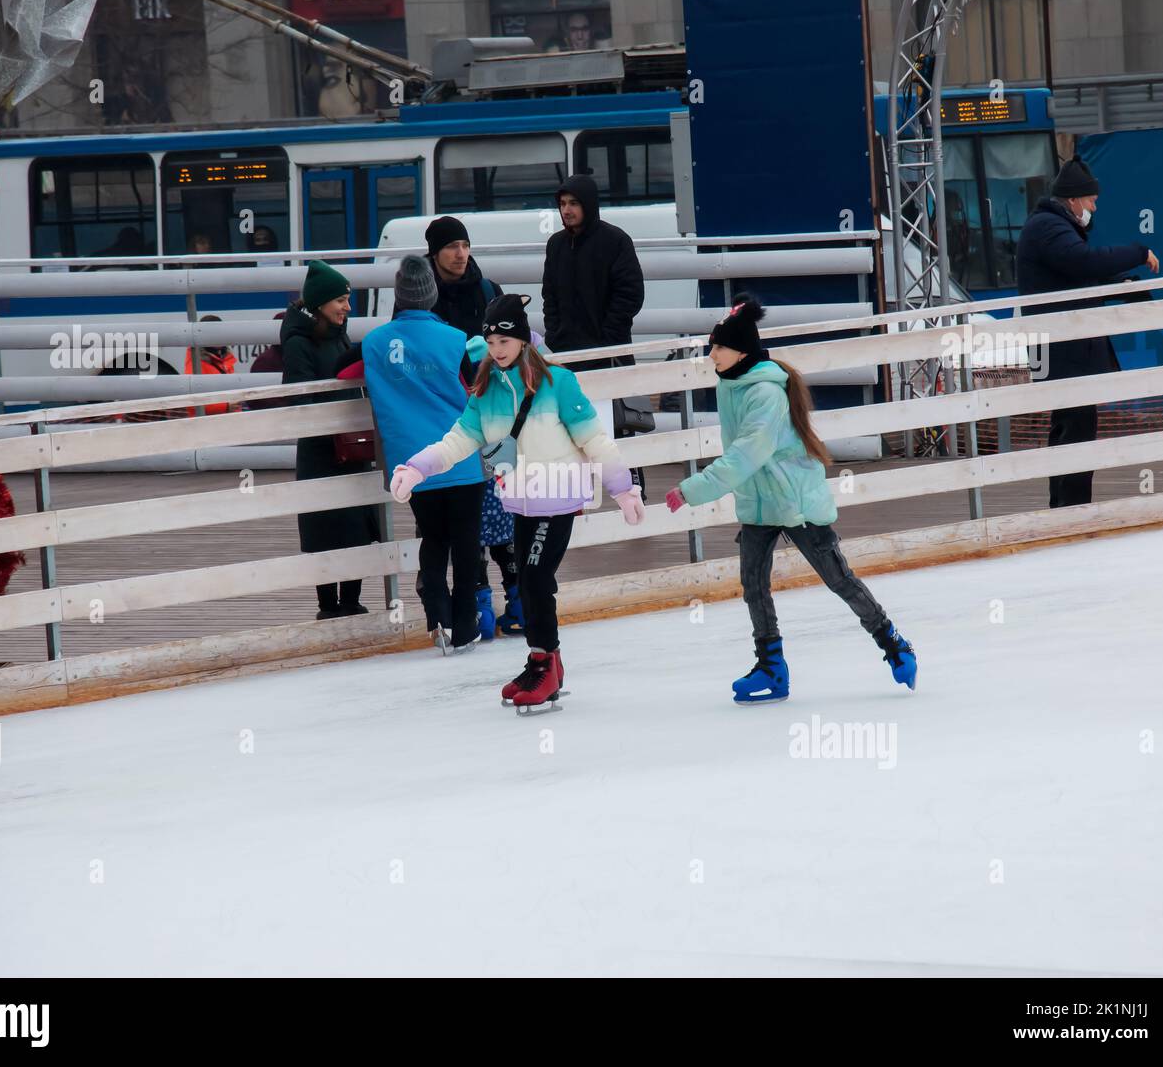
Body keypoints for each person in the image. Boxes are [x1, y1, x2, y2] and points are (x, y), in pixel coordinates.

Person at [390, 294, 646, 711]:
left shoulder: (558, 383)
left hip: (558, 499)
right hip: (520, 504)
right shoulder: (486, 390)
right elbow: (459, 440)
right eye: (490, 343)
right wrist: (417, 469)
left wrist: (622, 488)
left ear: (524, 340)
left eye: (504, 342)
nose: (496, 350)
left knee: (534, 579)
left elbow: (593, 438)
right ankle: (546, 662)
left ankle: (543, 663)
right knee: (531, 582)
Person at [664, 295, 917, 704]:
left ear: (741, 351)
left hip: (795, 501)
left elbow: (746, 454)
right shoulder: (732, 384)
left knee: (838, 579)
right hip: (759, 502)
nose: (711, 354)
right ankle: (771, 666)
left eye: (718, 347)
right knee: (753, 586)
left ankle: (894, 644)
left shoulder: (765, 393)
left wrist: (692, 490)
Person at [1016, 156, 1158, 508]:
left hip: (1063, 350)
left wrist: (1122, 285)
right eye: (1091, 199)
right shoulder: (1049, 227)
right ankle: (1071, 511)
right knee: (1075, 431)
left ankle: (1067, 509)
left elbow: (1077, 276)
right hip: (1064, 351)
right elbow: (1083, 263)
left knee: (1072, 428)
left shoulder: (1049, 226)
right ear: (1074, 199)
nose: (1094, 206)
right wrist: (1137, 253)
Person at [363, 256, 486, 655]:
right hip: (460, 457)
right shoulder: (454, 340)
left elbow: (343, 370)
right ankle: (467, 624)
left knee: (432, 538)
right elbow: (476, 385)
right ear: (432, 295)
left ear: (399, 295)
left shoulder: (374, 343)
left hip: (412, 465)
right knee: (467, 544)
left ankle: (440, 621)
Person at [424, 215, 520, 638]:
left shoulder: (488, 290)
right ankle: (480, 600)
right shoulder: (422, 298)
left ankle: (519, 597)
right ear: (434, 252)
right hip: (449, 420)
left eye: (464, 245)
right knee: (466, 514)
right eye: (451, 247)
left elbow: (516, 347)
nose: (460, 254)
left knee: (503, 503)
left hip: (494, 412)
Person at [281, 261, 380, 619]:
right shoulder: (298, 344)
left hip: (351, 447)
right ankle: (328, 606)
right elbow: (299, 400)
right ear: (320, 303)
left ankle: (351, 600)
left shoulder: (339, 333)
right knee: (325, 529)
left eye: (348, 299)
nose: (347, 307)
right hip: (321, 452)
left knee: (355, 525)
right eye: (341, 300)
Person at [542, 173, 647, 493]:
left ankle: (632, 487)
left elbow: (630, 294)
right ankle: (578, 495)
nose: (567, 210)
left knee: (617, 427)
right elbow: (549, 296)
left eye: (573, 203)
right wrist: (555, 335)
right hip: (567, 357)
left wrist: (609, 337)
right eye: (562, 204)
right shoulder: (556, 245)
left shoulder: (616, 241)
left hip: (609, 353)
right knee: (572, 428)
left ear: (588, 204)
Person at [183, 315, 238, 415]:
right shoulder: (195, 364)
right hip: (213, 423)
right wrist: (225, 407)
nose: (219, 336)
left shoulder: (224, 357)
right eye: (215, 333)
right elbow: (192, 402)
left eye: (221, 332)